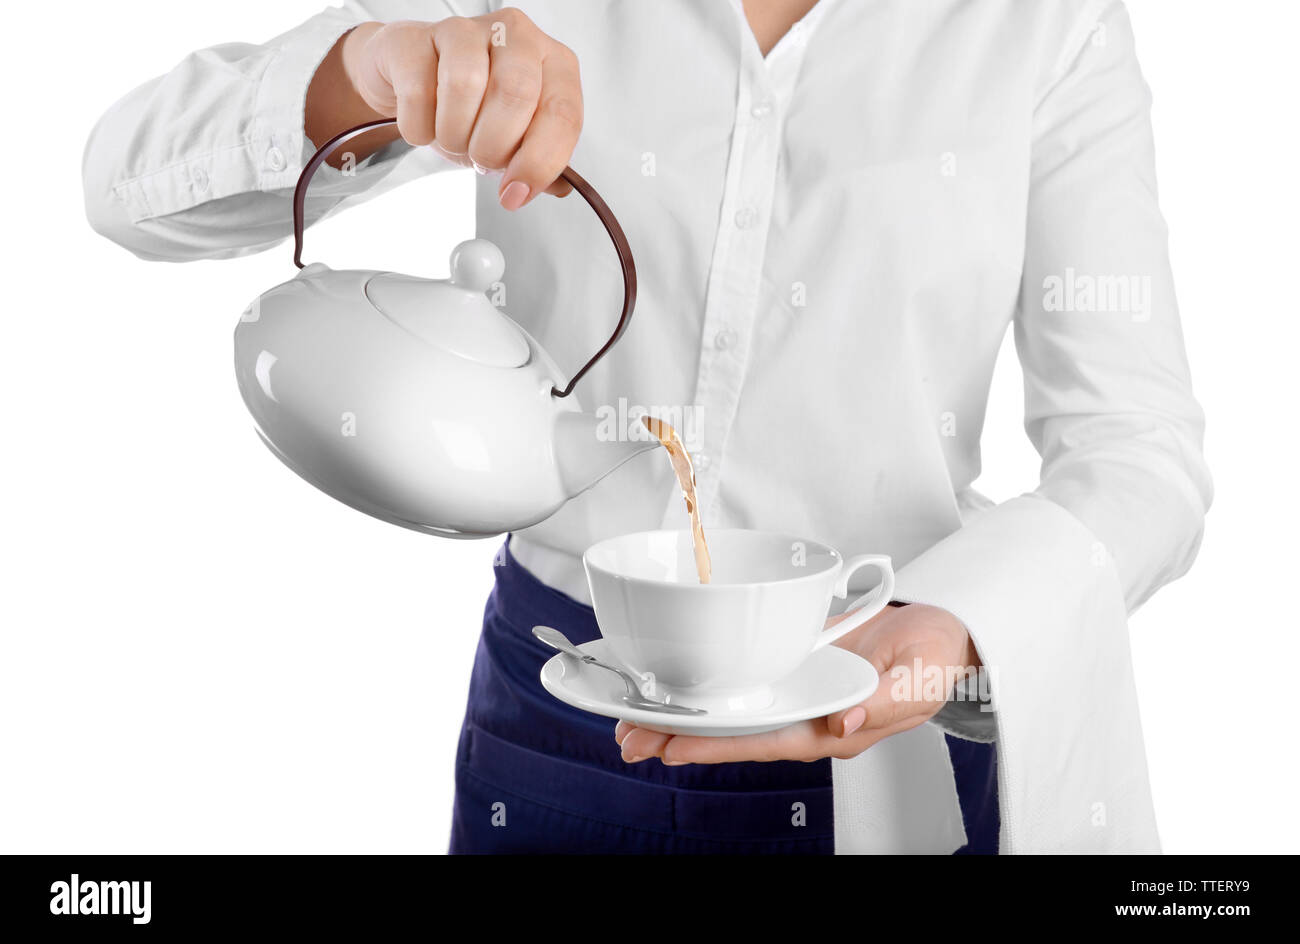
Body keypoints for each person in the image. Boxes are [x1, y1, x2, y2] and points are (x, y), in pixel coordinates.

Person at [84, 0, 1211, 854]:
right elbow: (120, 184)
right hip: (562, 704)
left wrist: (953, 631)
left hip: (882, 718)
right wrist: (362, 76)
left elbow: (1137, 447)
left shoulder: (1046, 25)